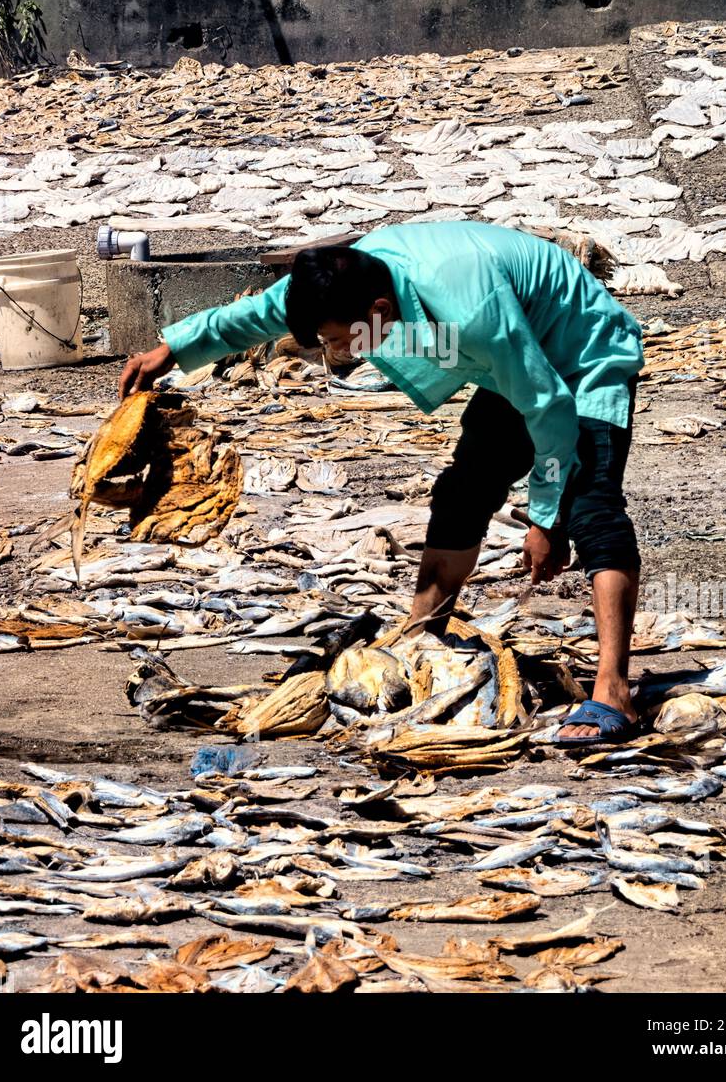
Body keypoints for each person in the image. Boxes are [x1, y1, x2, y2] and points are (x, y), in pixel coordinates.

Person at [119, 220, 644, 745]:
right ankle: (422, 635)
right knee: (461, 494)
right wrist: (172, 350)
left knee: (590, 509)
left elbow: (548, 406)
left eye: (333, 338)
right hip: (516, 363)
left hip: (581, 353)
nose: (333, 349)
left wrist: (547, 518)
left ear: (378, 313)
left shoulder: (471, 311)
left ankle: (612, 689)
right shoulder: (339, 282)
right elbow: (257, 314)